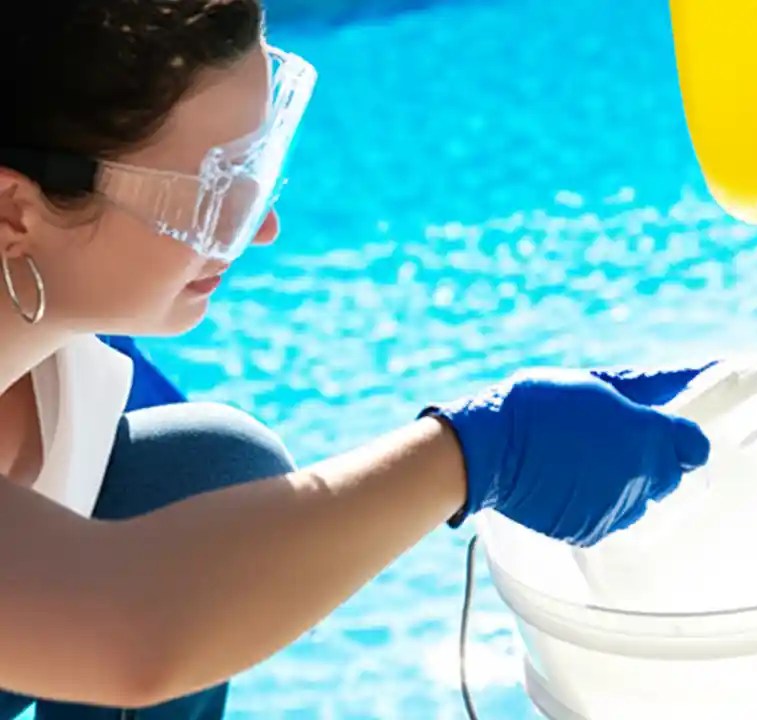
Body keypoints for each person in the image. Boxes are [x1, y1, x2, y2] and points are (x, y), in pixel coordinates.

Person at [0, 2, 714, 718]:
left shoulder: (70, 378)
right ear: (13, 213)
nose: (263, 230)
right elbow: (132, 634)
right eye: (208, 196)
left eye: (257, 170)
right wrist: (480, 453)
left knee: (206, 477)